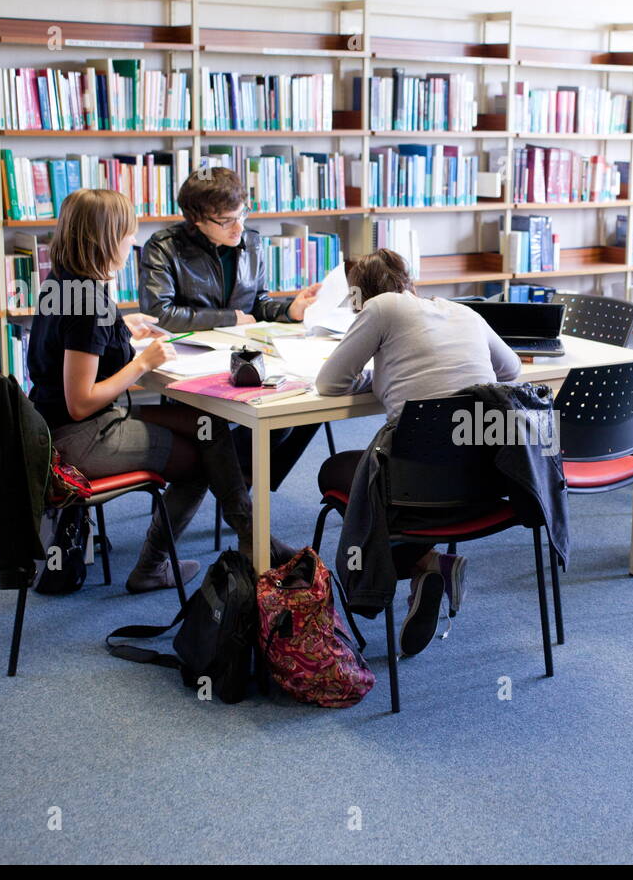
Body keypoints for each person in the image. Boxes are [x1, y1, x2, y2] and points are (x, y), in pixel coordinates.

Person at [27, 188, 292, 593]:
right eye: (127, 233)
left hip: (53, 427)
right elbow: (80, 403)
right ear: (104, 237)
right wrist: (140, 364)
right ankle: (155, 564)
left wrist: (120, 327)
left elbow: (71, 348)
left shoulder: (64, 283)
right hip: (81, 435)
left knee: (208, 423)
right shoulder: (90, 305)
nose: (132, 241)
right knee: (202, 462)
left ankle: (251, 533)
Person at [314, 249, 523, 656]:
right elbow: (511, 372)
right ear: (411, 283)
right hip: (485, 483)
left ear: (362, 297)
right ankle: (427, 562)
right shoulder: (464, 312)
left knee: (335, 471)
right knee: (396, 476)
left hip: (417, 488)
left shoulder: (379, 308)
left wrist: (377, 378)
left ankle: (422, 564)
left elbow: (329, 384)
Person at [139, 167, 323, 492]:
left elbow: (259, 304)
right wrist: (230, 318)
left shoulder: (250, 241)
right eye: (226, 220)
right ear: (197, 219)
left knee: (305, 407)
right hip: (191, 362)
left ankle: (237, 478)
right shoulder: (165, 246)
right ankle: (227, 479)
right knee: (244, 419)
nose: (239, 226)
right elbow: (160, 312)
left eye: (242, 215)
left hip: (245, 355)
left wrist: (289, 310)